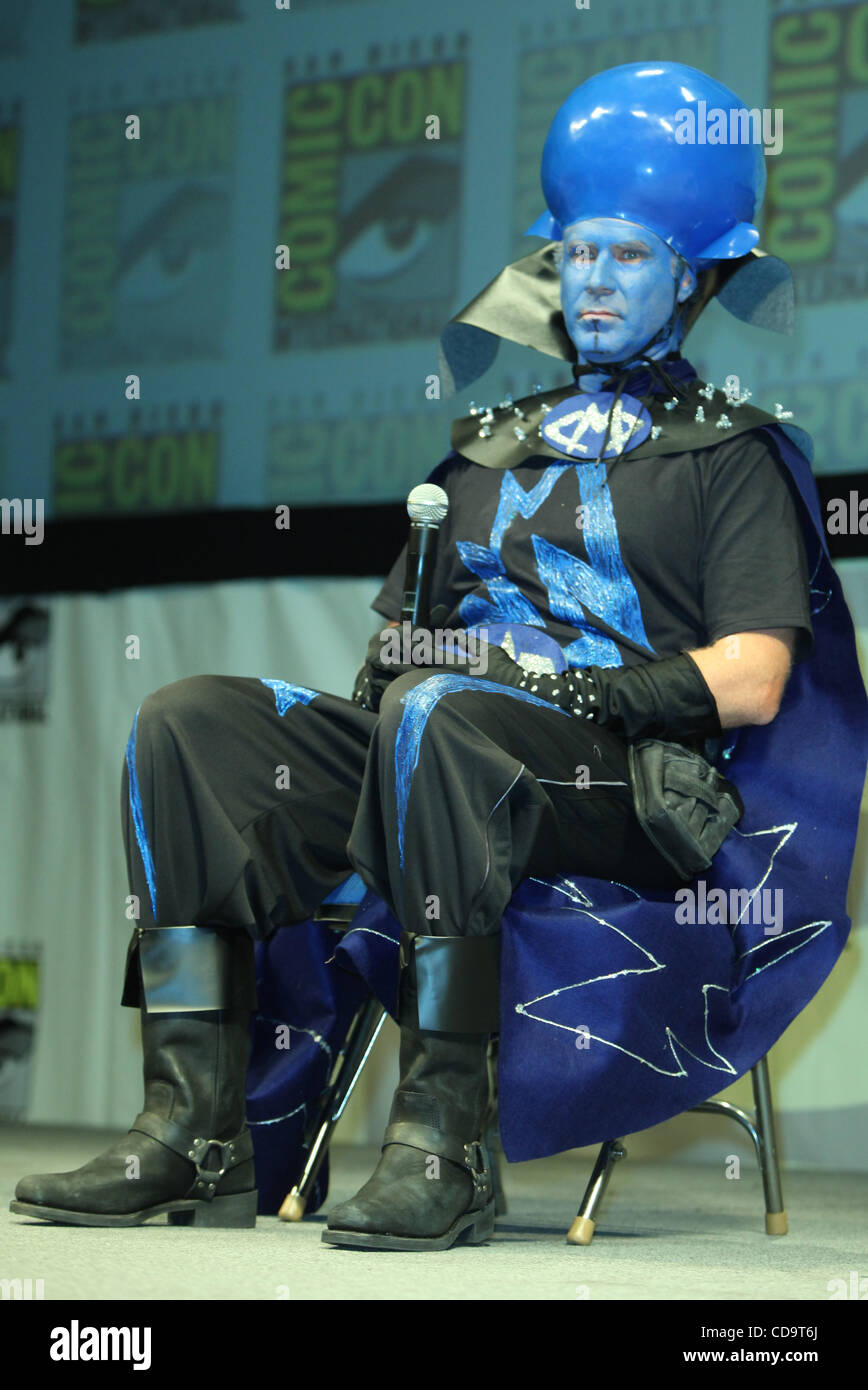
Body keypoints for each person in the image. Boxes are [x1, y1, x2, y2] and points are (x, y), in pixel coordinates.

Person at [11, 62, 866, 1252]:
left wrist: (568, 688)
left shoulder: (734, 453)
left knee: (441, 715)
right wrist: (414, 677)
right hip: (445, 746)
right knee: (190, 723)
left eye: (628, 255)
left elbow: (754, 677)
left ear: (690, 274)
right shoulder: (485, 451)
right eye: (577, 252)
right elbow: (399, 659)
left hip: (626, 791)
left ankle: (443, 1147)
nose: (595, 279)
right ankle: (193, 1129)